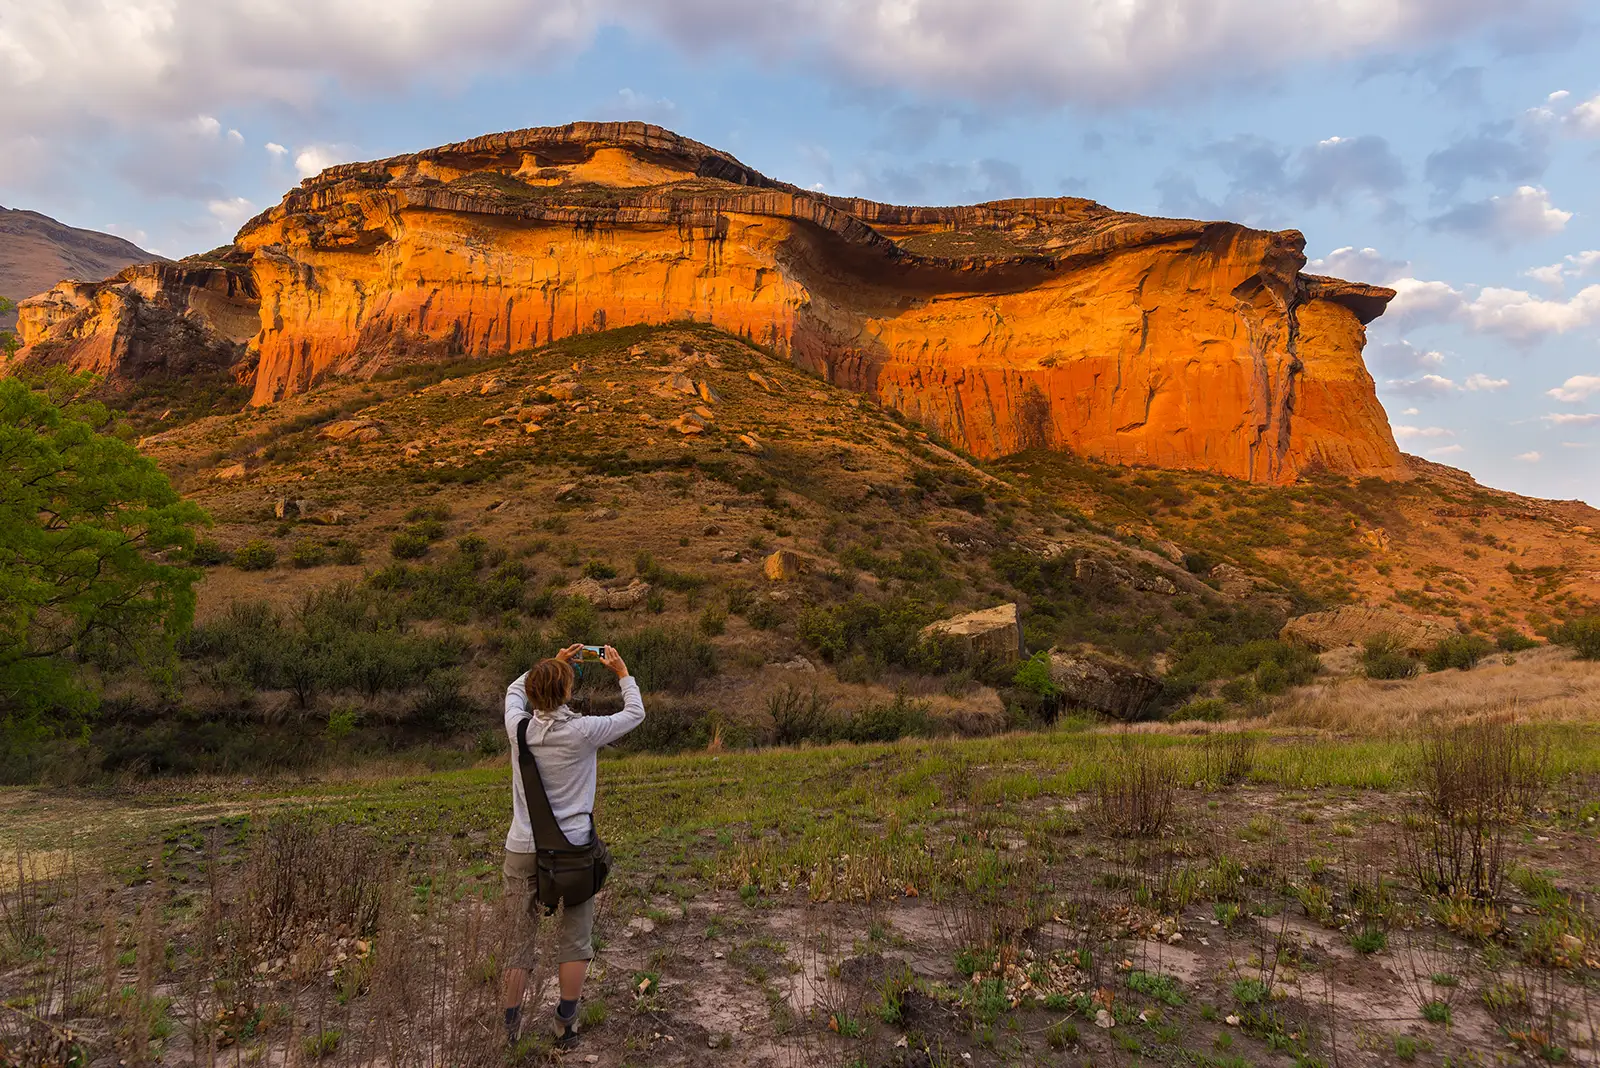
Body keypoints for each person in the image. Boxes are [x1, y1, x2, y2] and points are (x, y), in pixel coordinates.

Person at [500, 643, 643, 1045]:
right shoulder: (584, 732)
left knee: (517, 937)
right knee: (575, 938)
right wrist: (621, 672)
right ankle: (565, 1024)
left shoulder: (518, 728)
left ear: (532, 694)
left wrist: (553, 662)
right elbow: (635, 713)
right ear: (566, 693)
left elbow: (514, 691)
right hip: (574, 849)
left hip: (523, 846)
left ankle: (510, 1026)